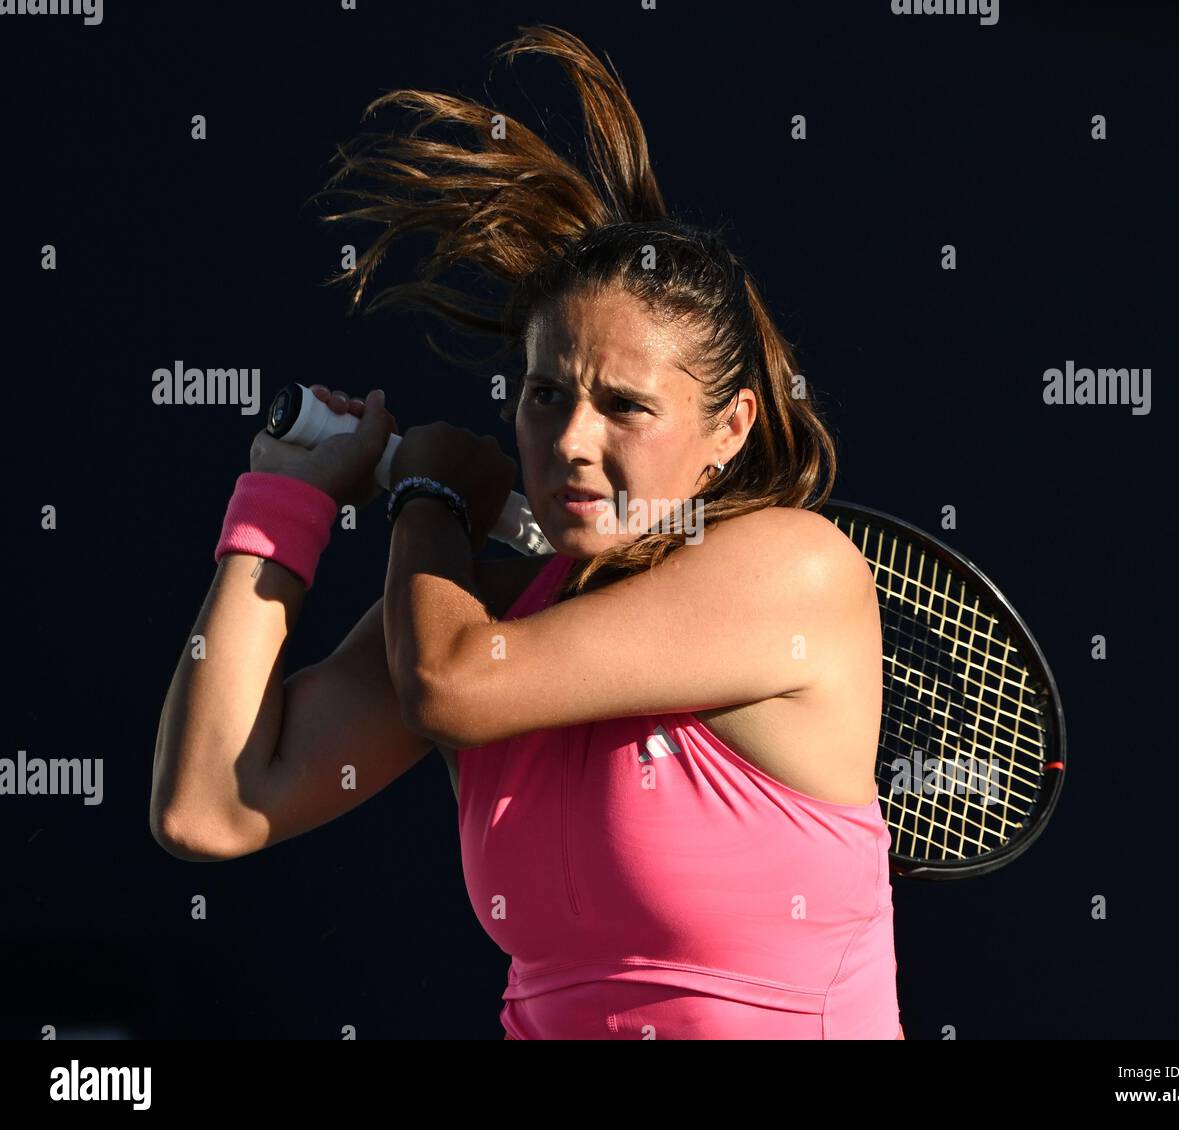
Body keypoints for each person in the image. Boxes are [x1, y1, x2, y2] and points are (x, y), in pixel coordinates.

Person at [150, 24, 903, 1040]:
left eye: (626, 405)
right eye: (547, 395)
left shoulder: (795, 569)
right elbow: (210, 804)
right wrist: (282, 506)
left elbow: (459, 685)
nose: (571, 443)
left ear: (732, 427)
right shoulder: (476, 615)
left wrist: (429, 490)